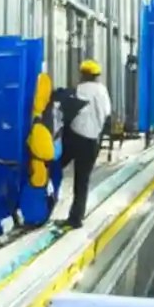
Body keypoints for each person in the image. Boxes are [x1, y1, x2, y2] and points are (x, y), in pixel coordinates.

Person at [57, 59, 112, 228]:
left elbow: (63, 112)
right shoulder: (102, 91)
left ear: (82, 74)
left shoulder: (78, 89)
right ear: (96, 76)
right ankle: (76, 218)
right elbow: (107, 113)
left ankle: (44, 201)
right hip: (91, 142)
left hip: (73, 138)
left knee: (53, 166)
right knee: (82, 180)